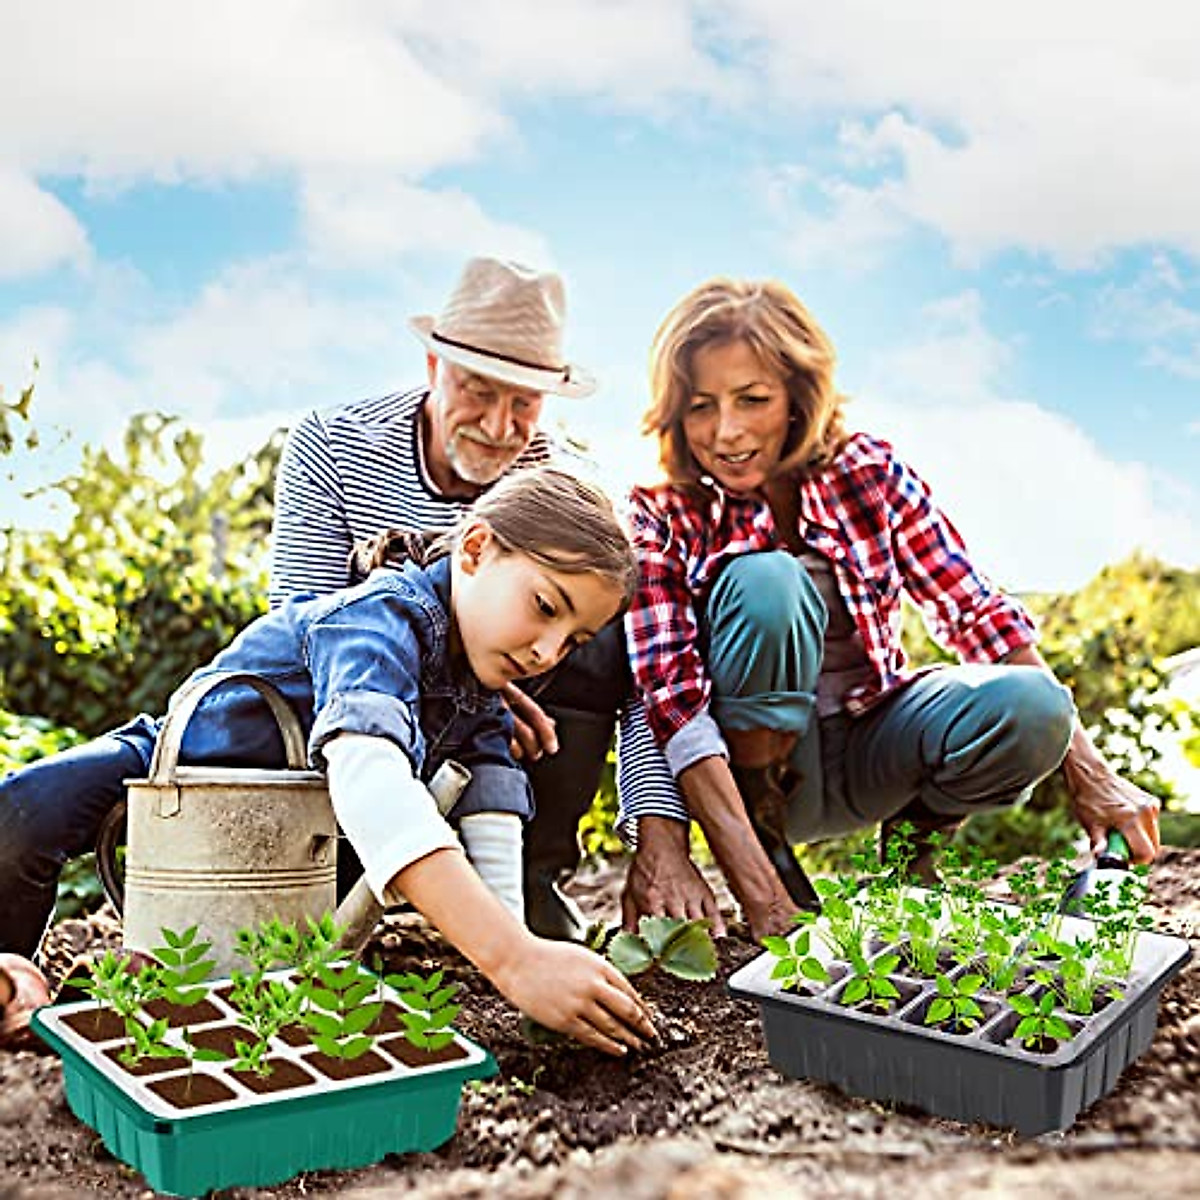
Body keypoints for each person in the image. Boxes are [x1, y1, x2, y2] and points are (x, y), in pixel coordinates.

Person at [0, 468, 655, 1055]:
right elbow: (370, 778)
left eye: (574, 640)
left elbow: (490, 814)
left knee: (247, 964)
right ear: (476, 549)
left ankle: (119, 996)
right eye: (545, 607)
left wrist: (515, 945)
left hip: (287, 844)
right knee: (24, 812)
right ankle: (9, 980)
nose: (547, 652)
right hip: (181, 762)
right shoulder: (379, 621)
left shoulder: (480, 689)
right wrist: (512, 960)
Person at [616, 277, 1162, 943]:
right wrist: (763, 902)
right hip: (759, 779)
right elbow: (670, 703)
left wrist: (1093, 776)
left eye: (752, 399)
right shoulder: (660, 510)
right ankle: (775, 859)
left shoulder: (868, 471)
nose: (726, 431)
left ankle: (911, 864)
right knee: (768, 583)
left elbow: (975, 612)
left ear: (797, 396)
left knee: (1036, 705)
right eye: (701, 407)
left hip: (874, 743)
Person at [270, 255, 636, 940]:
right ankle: (341, 867)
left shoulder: (558, 477)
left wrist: (653, 832)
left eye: (524, 403)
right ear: (434, 368)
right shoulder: (334, 443)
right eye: (478, 390)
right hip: (365, 687)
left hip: (495, 693)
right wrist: (473, 690)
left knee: (596, 620)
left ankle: (530, 876)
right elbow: (308, 621)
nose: (499, 426)